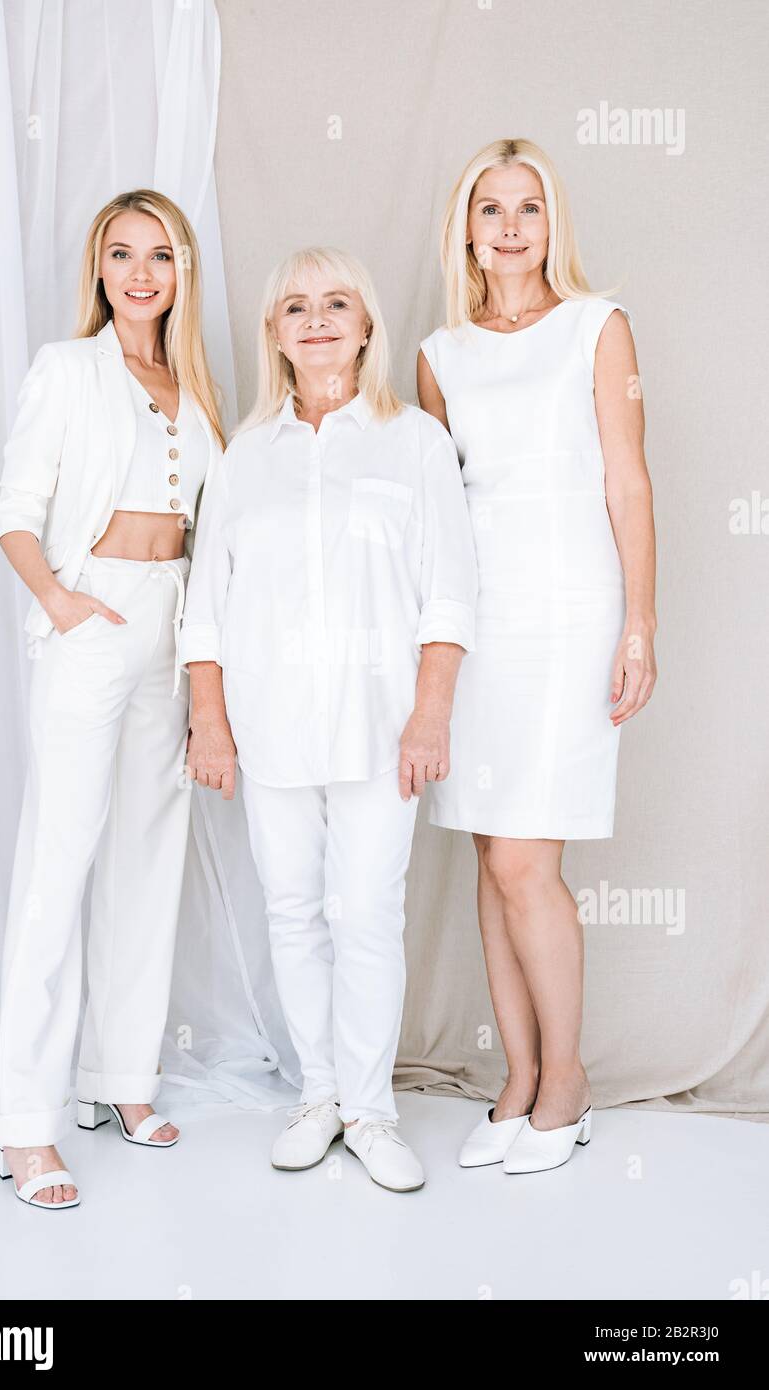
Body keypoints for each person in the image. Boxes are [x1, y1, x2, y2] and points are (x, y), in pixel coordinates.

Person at [181, 247, 477, 1193]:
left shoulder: (415, 443)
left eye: (335, 303)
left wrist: (429, 716)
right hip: (268, 730)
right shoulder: (242, 459)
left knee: (367, 916)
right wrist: (210, 722)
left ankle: (371, 1109)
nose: (316, 319)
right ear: (275, 332)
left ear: (363, 326)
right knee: (291, 913)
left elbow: (449, 596)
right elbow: (206, 608)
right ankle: (316, 1097)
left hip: (379, 728)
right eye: (295, 305)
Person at [418, 139, 657, 1175]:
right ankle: (516, 1078)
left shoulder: (598, 328)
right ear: (466, 227)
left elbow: (629, 484)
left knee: (529, 856)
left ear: (552, 222)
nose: (511, 225)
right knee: (486, 846)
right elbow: (434, 508)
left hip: (567, 611)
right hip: (479, 617)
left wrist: (640, 621)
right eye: (491, 207)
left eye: (529, 206)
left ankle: (570, 1082)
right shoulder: (439, 352)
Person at [0, 189, 224, 1208]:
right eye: (122, 253)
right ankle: (25, 1126)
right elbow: (14, 512)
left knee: (148, 856)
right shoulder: (67, 368)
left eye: (160, 255)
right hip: (92, 621)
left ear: (182, 271)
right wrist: (61, 599)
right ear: (99, 268)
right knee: (59, 864)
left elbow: (212, 533)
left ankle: (121, 1079)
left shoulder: (198, 387)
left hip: (173, 630)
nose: (141, 272)